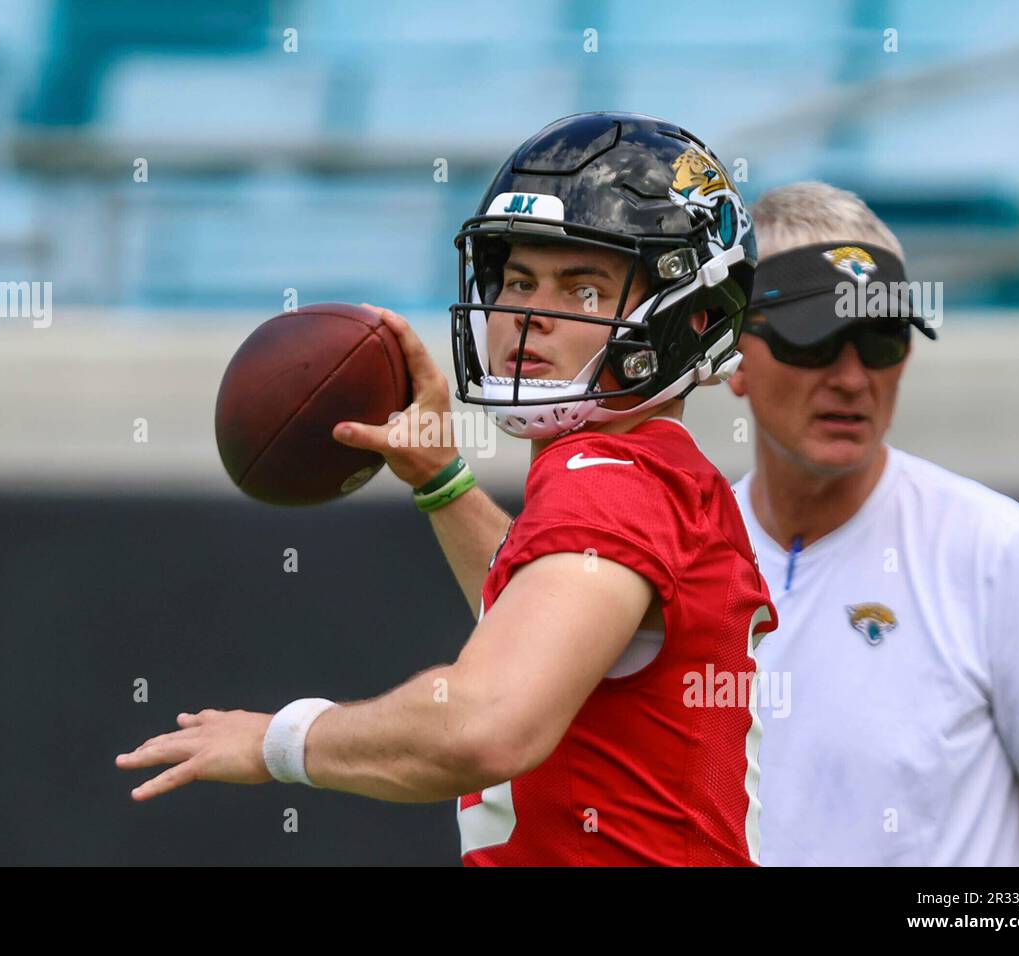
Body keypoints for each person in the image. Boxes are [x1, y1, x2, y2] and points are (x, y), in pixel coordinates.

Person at [116, 112, 776, 865]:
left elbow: (487, 724)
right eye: (518, 280)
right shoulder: (655, 476)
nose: (528, 317)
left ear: (691, 317)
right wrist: (441, 481)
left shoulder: (612, 486)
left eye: (582, 289)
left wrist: (280, 739)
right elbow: (552, 617)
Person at [728, 181, 1019, 865]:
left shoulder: (1001, 554)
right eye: (817, 341)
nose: (853, 377)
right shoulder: (679, 550)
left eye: (880, 339)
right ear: (732, 359)